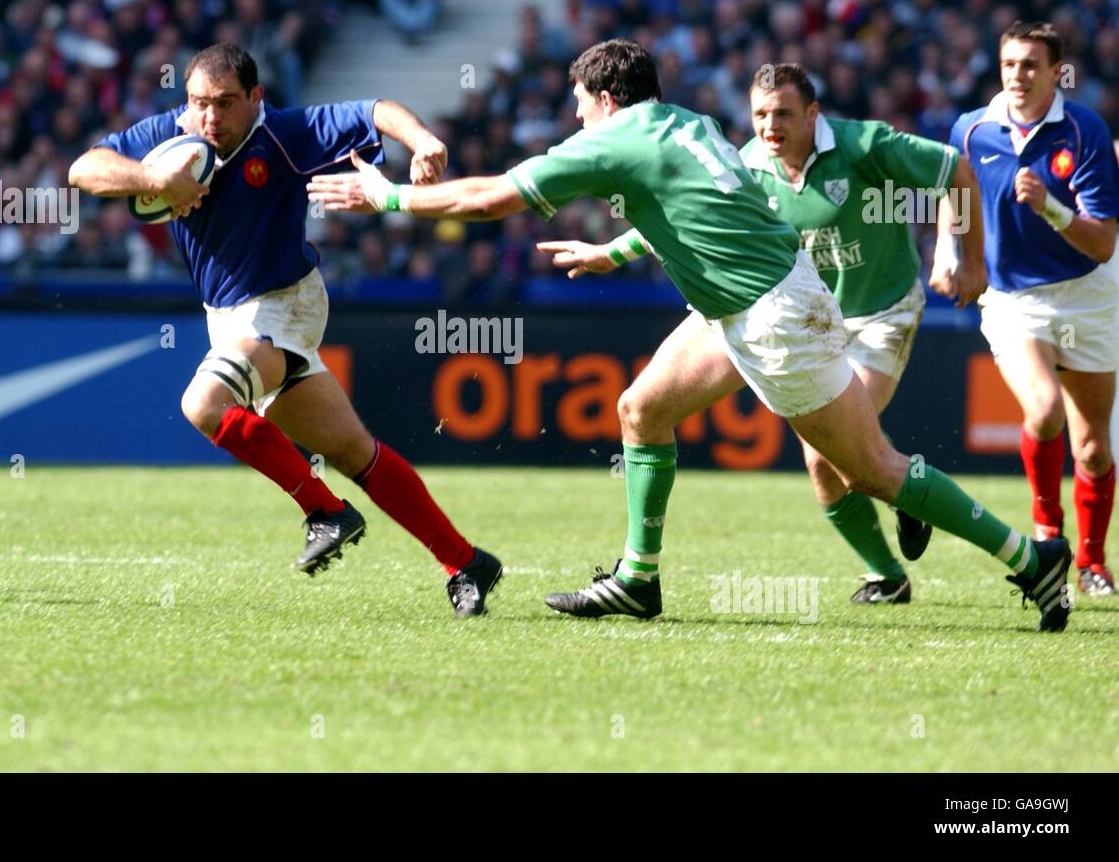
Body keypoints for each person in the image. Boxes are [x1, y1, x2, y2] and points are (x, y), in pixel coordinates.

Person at [308, 38, 1073, 632]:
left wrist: (390, 197)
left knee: (870, 468)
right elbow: (689, 211)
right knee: (642, 410)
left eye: (580, 103)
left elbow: (490, 198)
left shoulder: (618, 139)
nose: (576, 118)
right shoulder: (689, 122)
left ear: (607, 99)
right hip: (742, 306)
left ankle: (1029, 558)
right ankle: (640, 579)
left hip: (774, 318)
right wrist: (614, 250)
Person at [69, 43, 502, 616]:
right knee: (355, 452)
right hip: (227, 318)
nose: (209, 118)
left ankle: (325, 511)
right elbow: (83, 169)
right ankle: (466, 562)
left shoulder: (287, 133)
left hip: (283, 303)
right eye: (199, 103)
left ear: (256, 98)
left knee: (203, 404)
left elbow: (377, 110)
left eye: (225, 103)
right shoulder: (172, 137)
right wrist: (153, 177)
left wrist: (422, 141)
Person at [556, 62, 988, 606]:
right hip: (797, 317)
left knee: (839, 459)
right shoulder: (749, 165)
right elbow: (684, 214)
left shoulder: (863, 146)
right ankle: (886, 573)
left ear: (813, 113)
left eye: (783, 113)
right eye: (760, 113)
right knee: (835, 466)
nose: (769, 125)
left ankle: (909, 495)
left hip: (876, 316)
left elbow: (956, 171)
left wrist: (964, 256)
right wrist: (608, 253)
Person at [950, 21, 1119, 598]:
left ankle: (1092, 562)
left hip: (1090, 295)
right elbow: (957, 198)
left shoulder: (1085, 130)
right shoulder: (971, 130)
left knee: (1093, 449)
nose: (1017, 76)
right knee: (1043, 409)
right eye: (1009, 64)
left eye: (1030, 65)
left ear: (1055, 72)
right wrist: (952, 255)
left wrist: (1050, 208)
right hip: (1014, 301)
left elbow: (1102, 243)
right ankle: (1048, 535)